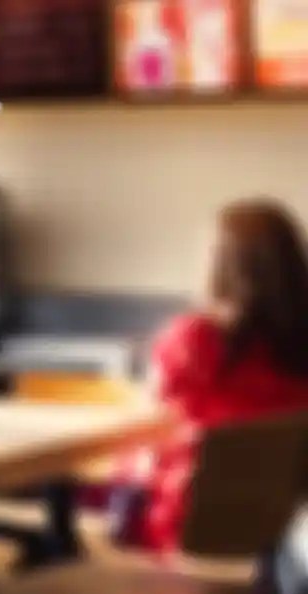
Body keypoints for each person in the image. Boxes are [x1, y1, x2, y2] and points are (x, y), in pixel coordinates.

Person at [118, 200, 308, 554]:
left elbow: (144, 431)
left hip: (181, 531)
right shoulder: (298, 349)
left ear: (218, 267)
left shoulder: (191, 340)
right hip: (281, 538)